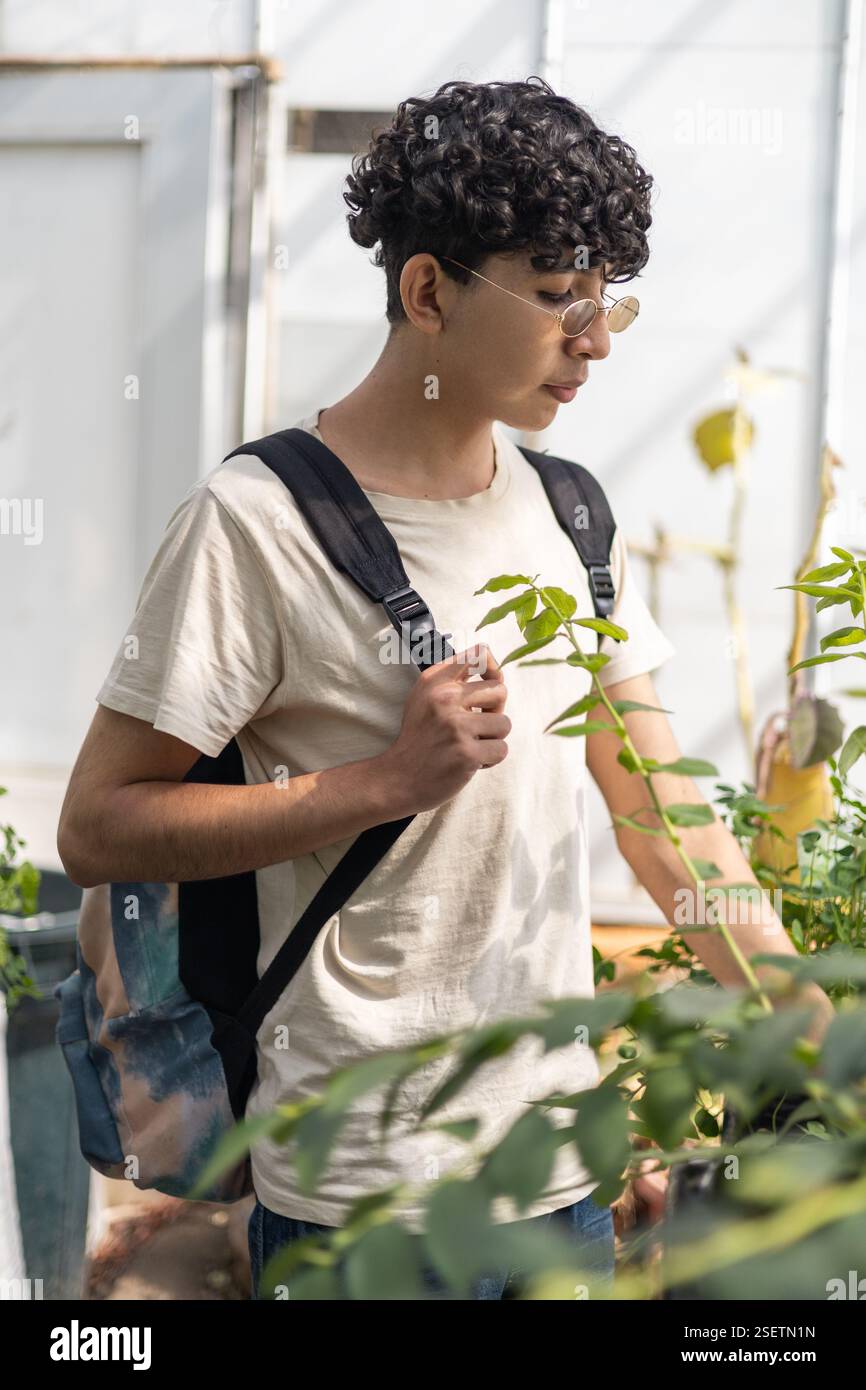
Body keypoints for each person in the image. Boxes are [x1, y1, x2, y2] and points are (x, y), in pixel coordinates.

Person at [57, 76, 833, 1301]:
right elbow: (100, 824)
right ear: (427, 291)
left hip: (553, 1182)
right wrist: (378, 783)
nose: (594, 338)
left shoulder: (569, 514)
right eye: (554, 294)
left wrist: (812, 1025)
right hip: (360, 1201)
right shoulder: (255, 524)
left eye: (604, 298)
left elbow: (660, 819)